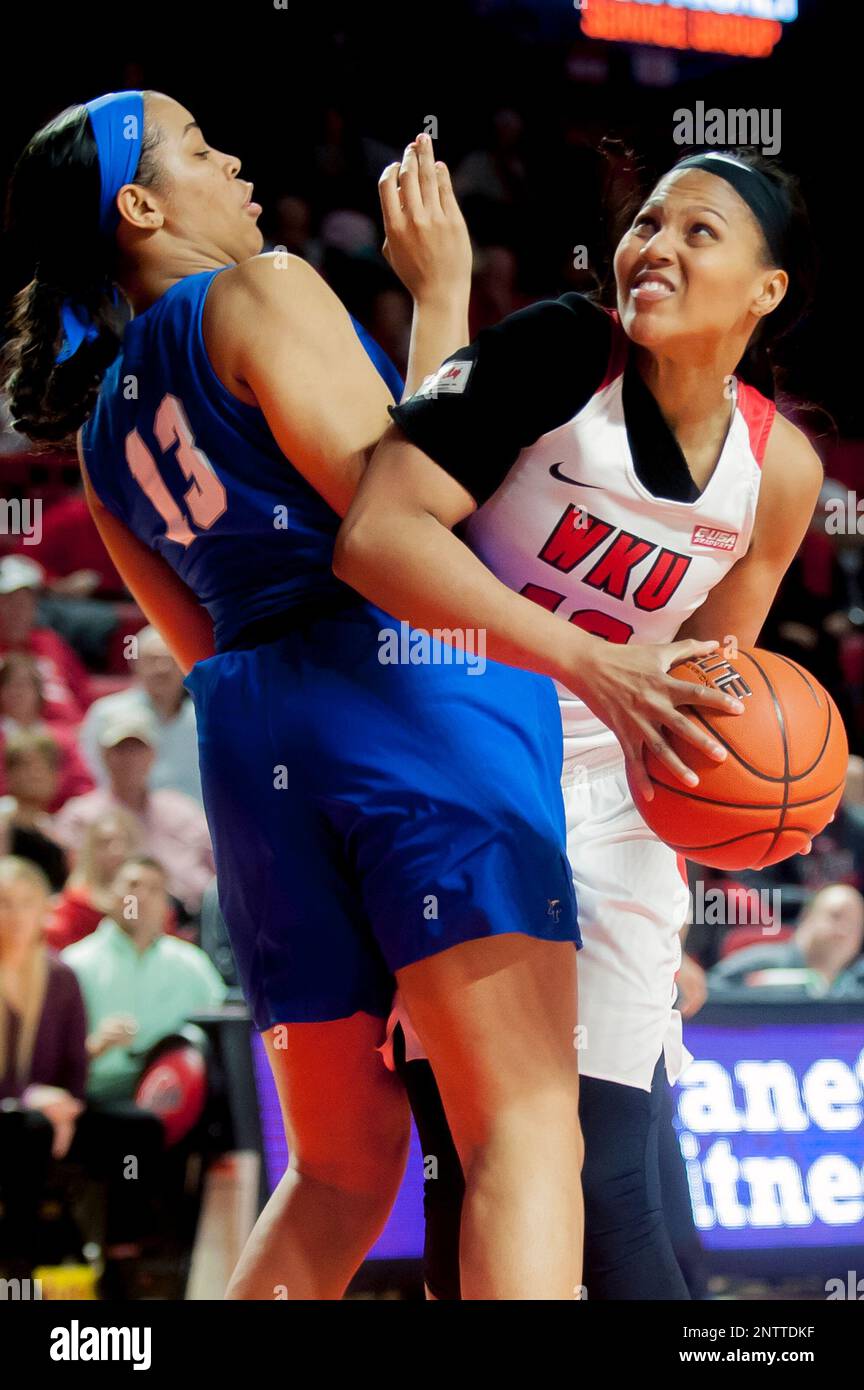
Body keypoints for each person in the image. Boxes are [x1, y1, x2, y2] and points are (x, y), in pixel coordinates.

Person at [3, 91, 736, 1302]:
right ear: (140, 206)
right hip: (408, 695)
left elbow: (201, 645)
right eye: (196, 147)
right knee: (524, 1126)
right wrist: (444, 298)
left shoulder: (97, 432)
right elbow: (396, 524)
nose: (232, 157)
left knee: (341, 1170)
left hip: (257, 750)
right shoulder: (265, 288)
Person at [336, 147, 823, 1298]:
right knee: (490, 1165)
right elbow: (379, 540)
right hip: (460, 763)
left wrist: (734, 834)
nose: (655, 247)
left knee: (614, 1178)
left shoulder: (781, 469)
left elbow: (715, 690)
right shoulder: (560, 348)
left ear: (768, 290)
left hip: (619, 800)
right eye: (647, 222)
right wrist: (592, 660)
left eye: (699, 231)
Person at [0, 856, 87, 1260]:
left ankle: (125, 1261)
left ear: (43, 910)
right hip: (22, 1114)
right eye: (4, 902)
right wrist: (30, 1095)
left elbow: (75, 1067)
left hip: (49, 1114)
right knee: (30, 1128)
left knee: (138, 1127)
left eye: (24, 902)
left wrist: (67, 1110)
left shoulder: (61, 977)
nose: (14, 914)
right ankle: (21, 1265)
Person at [53, 712, 214, 916]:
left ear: (152, 755)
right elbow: (75, 882)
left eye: (138, 749)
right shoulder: (80, 815)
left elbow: (220, 868)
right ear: (104, 755)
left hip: (193, 916)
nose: (130, 758)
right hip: (113, 916)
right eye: (121, 749)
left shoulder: (182, 810)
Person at [79, 625, 203, 803]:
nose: (163, 668)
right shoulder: (106, 712)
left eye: (171, 659)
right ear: (135, 663)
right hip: (123, 819)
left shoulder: (204, 719)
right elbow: (91, 773)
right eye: (153, 659)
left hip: (195, 823)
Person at [708, 882, 864, 999]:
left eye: (855, 924)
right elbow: (704, 992)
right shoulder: (762, 961)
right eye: (836, 916)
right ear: (807, 916)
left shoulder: (855, 984)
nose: (844, 931)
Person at [0, 555, 91, 724]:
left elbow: (81, 694)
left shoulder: (51, 642)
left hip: (66, 737)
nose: (17, 610)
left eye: (24, 601)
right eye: (7, 601)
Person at [0, 651, 95, 809]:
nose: (17, 692)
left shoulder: (63, 737)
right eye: (9, 685)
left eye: (24, 684)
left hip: (59, 817)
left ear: (39, 691)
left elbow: (82, 785)